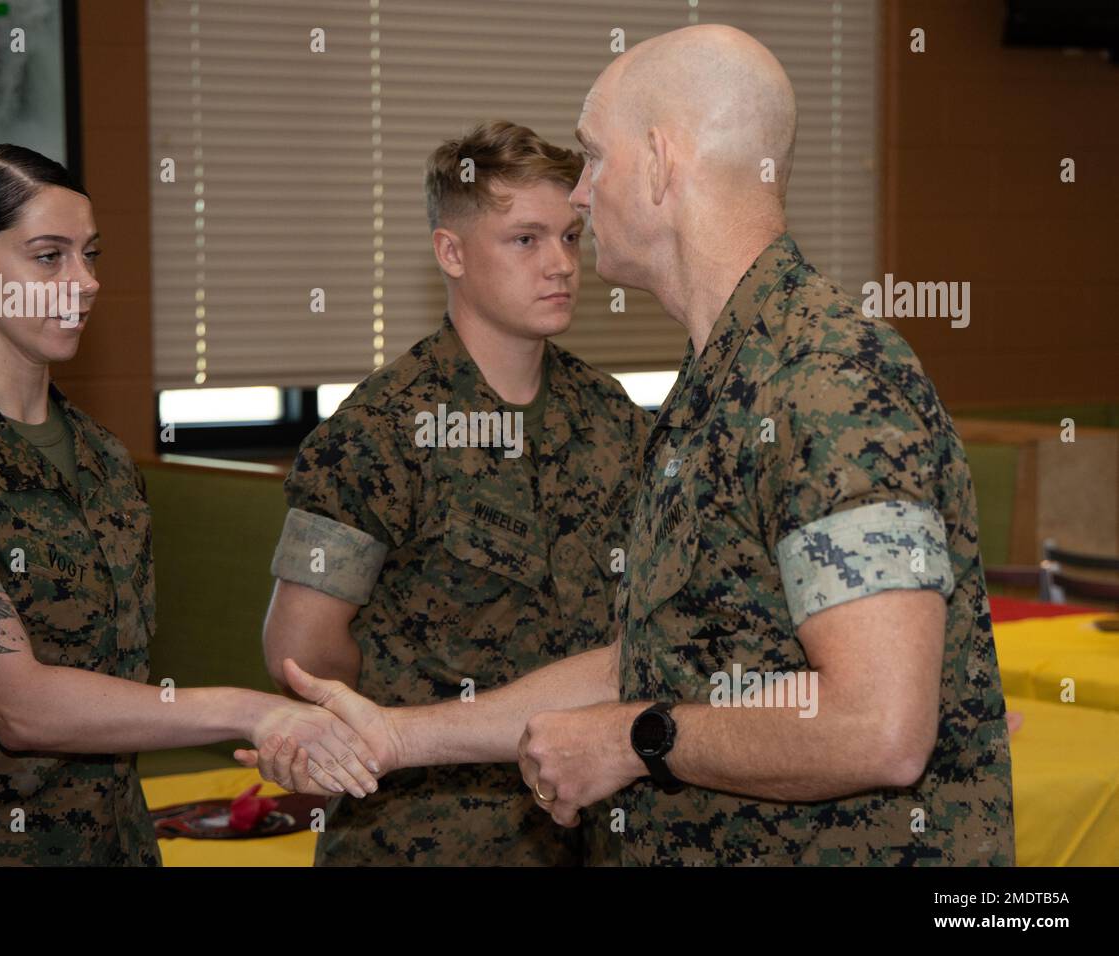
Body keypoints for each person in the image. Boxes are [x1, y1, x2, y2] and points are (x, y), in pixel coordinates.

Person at [250, 26, 1015, 866]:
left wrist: (633, 742)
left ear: (658, 162)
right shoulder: (710, 388)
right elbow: (656, 661)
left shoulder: (825, 378)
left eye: (591, 158)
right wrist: (399, 736)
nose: (579, 196)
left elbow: (878, 729)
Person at [0, 144, 379, 866]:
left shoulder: (103, 459)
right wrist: (251, 708)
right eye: (48, 257)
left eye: (90, 255)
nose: (83, 284)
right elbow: (19, 706)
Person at [257, 121, 652, 865]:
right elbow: (301, 650)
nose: (562, 264)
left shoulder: (612, 418)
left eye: (572, 236)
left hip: (594, 825)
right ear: (451, 252)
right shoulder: (378, 432)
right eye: (526, 240)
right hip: (426, 832)